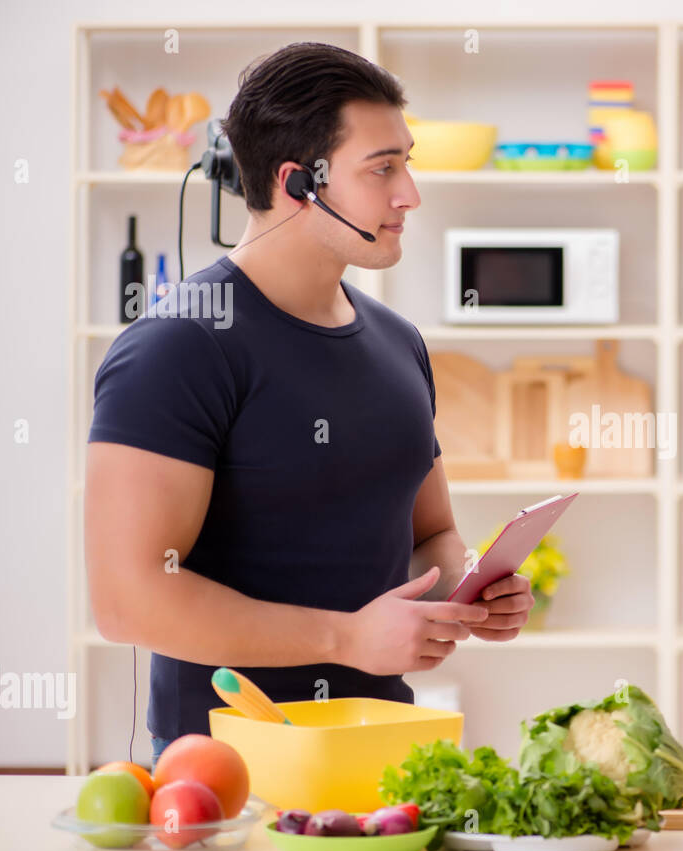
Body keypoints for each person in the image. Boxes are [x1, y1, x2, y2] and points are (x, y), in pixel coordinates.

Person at [85, 43, 533, 768]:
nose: (410, 193)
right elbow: (127, 598)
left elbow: (432, 533)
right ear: (299, 183)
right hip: (229, 767)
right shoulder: (179, 345)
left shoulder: (398, 342)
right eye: (382, 167)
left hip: (384, 748)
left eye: (407, 162)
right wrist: (347, 638)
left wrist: (472, 585)